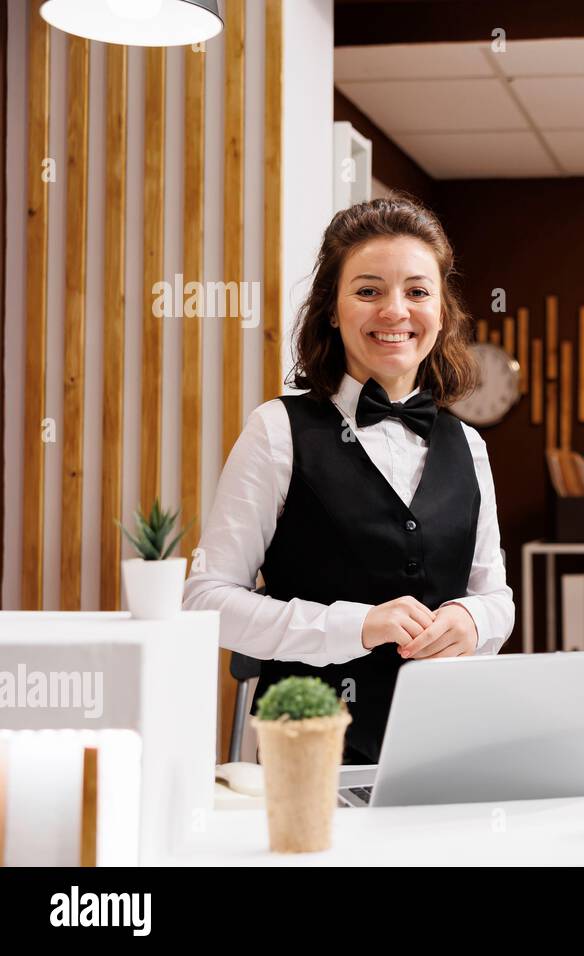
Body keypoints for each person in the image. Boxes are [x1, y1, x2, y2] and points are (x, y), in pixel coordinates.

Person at [183, 196, 514, 764]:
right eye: (368, 291)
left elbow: (495, 596)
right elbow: (206, 602)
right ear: (332, 311)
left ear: (441, 310)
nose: (395, 311)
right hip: (311, 752)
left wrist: (471, 619)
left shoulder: (470, 445)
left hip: (448, 743)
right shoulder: (277, 431)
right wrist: (355, 625)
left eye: (416, 291)